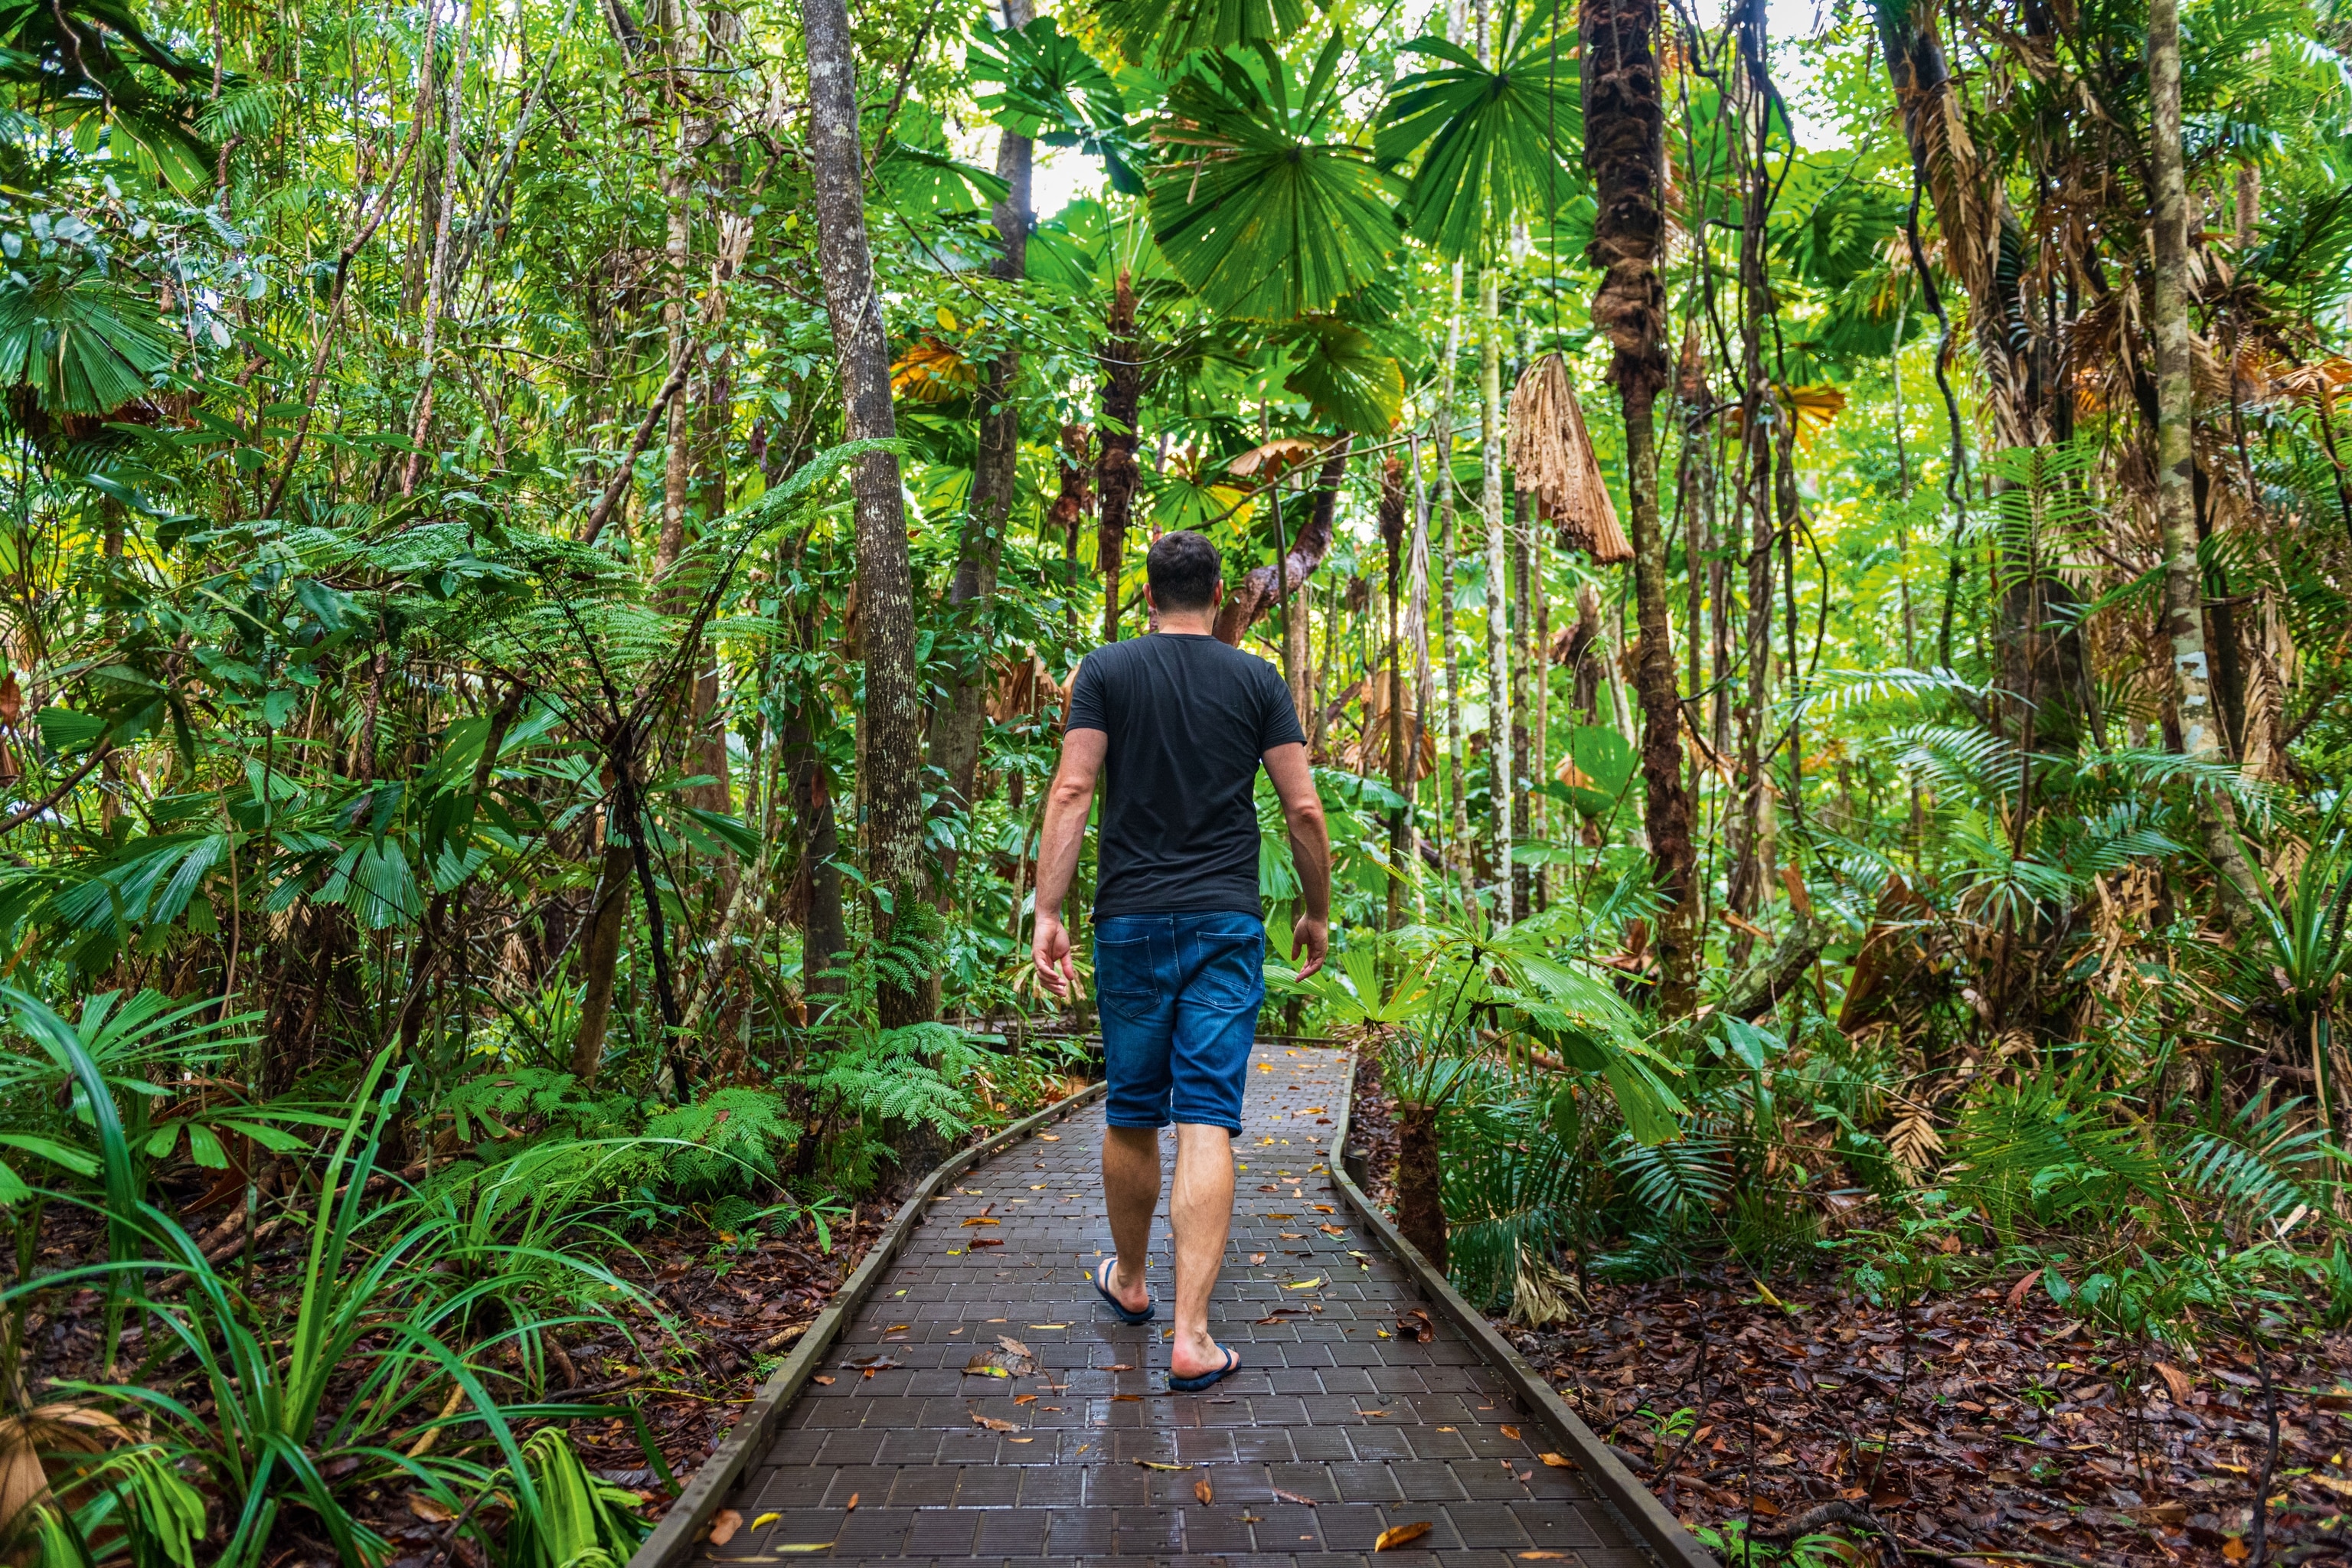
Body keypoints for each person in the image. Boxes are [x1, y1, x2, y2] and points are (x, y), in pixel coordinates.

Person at [1031, 529, 1331, 1393]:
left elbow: (1074, 788)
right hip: (1224, 923)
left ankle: (1130, 1283)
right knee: (1206, 1115)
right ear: (1218, 588)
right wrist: (1315, 910)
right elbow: (1302, 807)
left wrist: (1048, 911)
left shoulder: (1106, 671)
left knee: (1132, 1109)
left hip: (1129, 921)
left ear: (1149, 593)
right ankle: (1192, 1336)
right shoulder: (1256, 677)